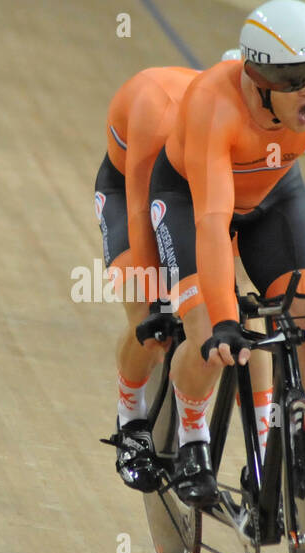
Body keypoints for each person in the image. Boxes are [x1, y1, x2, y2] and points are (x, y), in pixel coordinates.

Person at [148, 0, 305, 506]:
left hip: (272, 196)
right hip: (189, 198)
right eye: (293, 78)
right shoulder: (212, 103)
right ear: (258, 81)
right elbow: (212, 222)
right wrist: (222, 320)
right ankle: (191, 427)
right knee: (207, 337)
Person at [95, 51, 242, 491]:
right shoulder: (157, 110)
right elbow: (142, 210)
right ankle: (130, 418)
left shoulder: (231, 127)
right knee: (147, 314)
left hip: (197, 191)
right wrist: (158, 301)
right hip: (132, 192)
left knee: (225, 310)